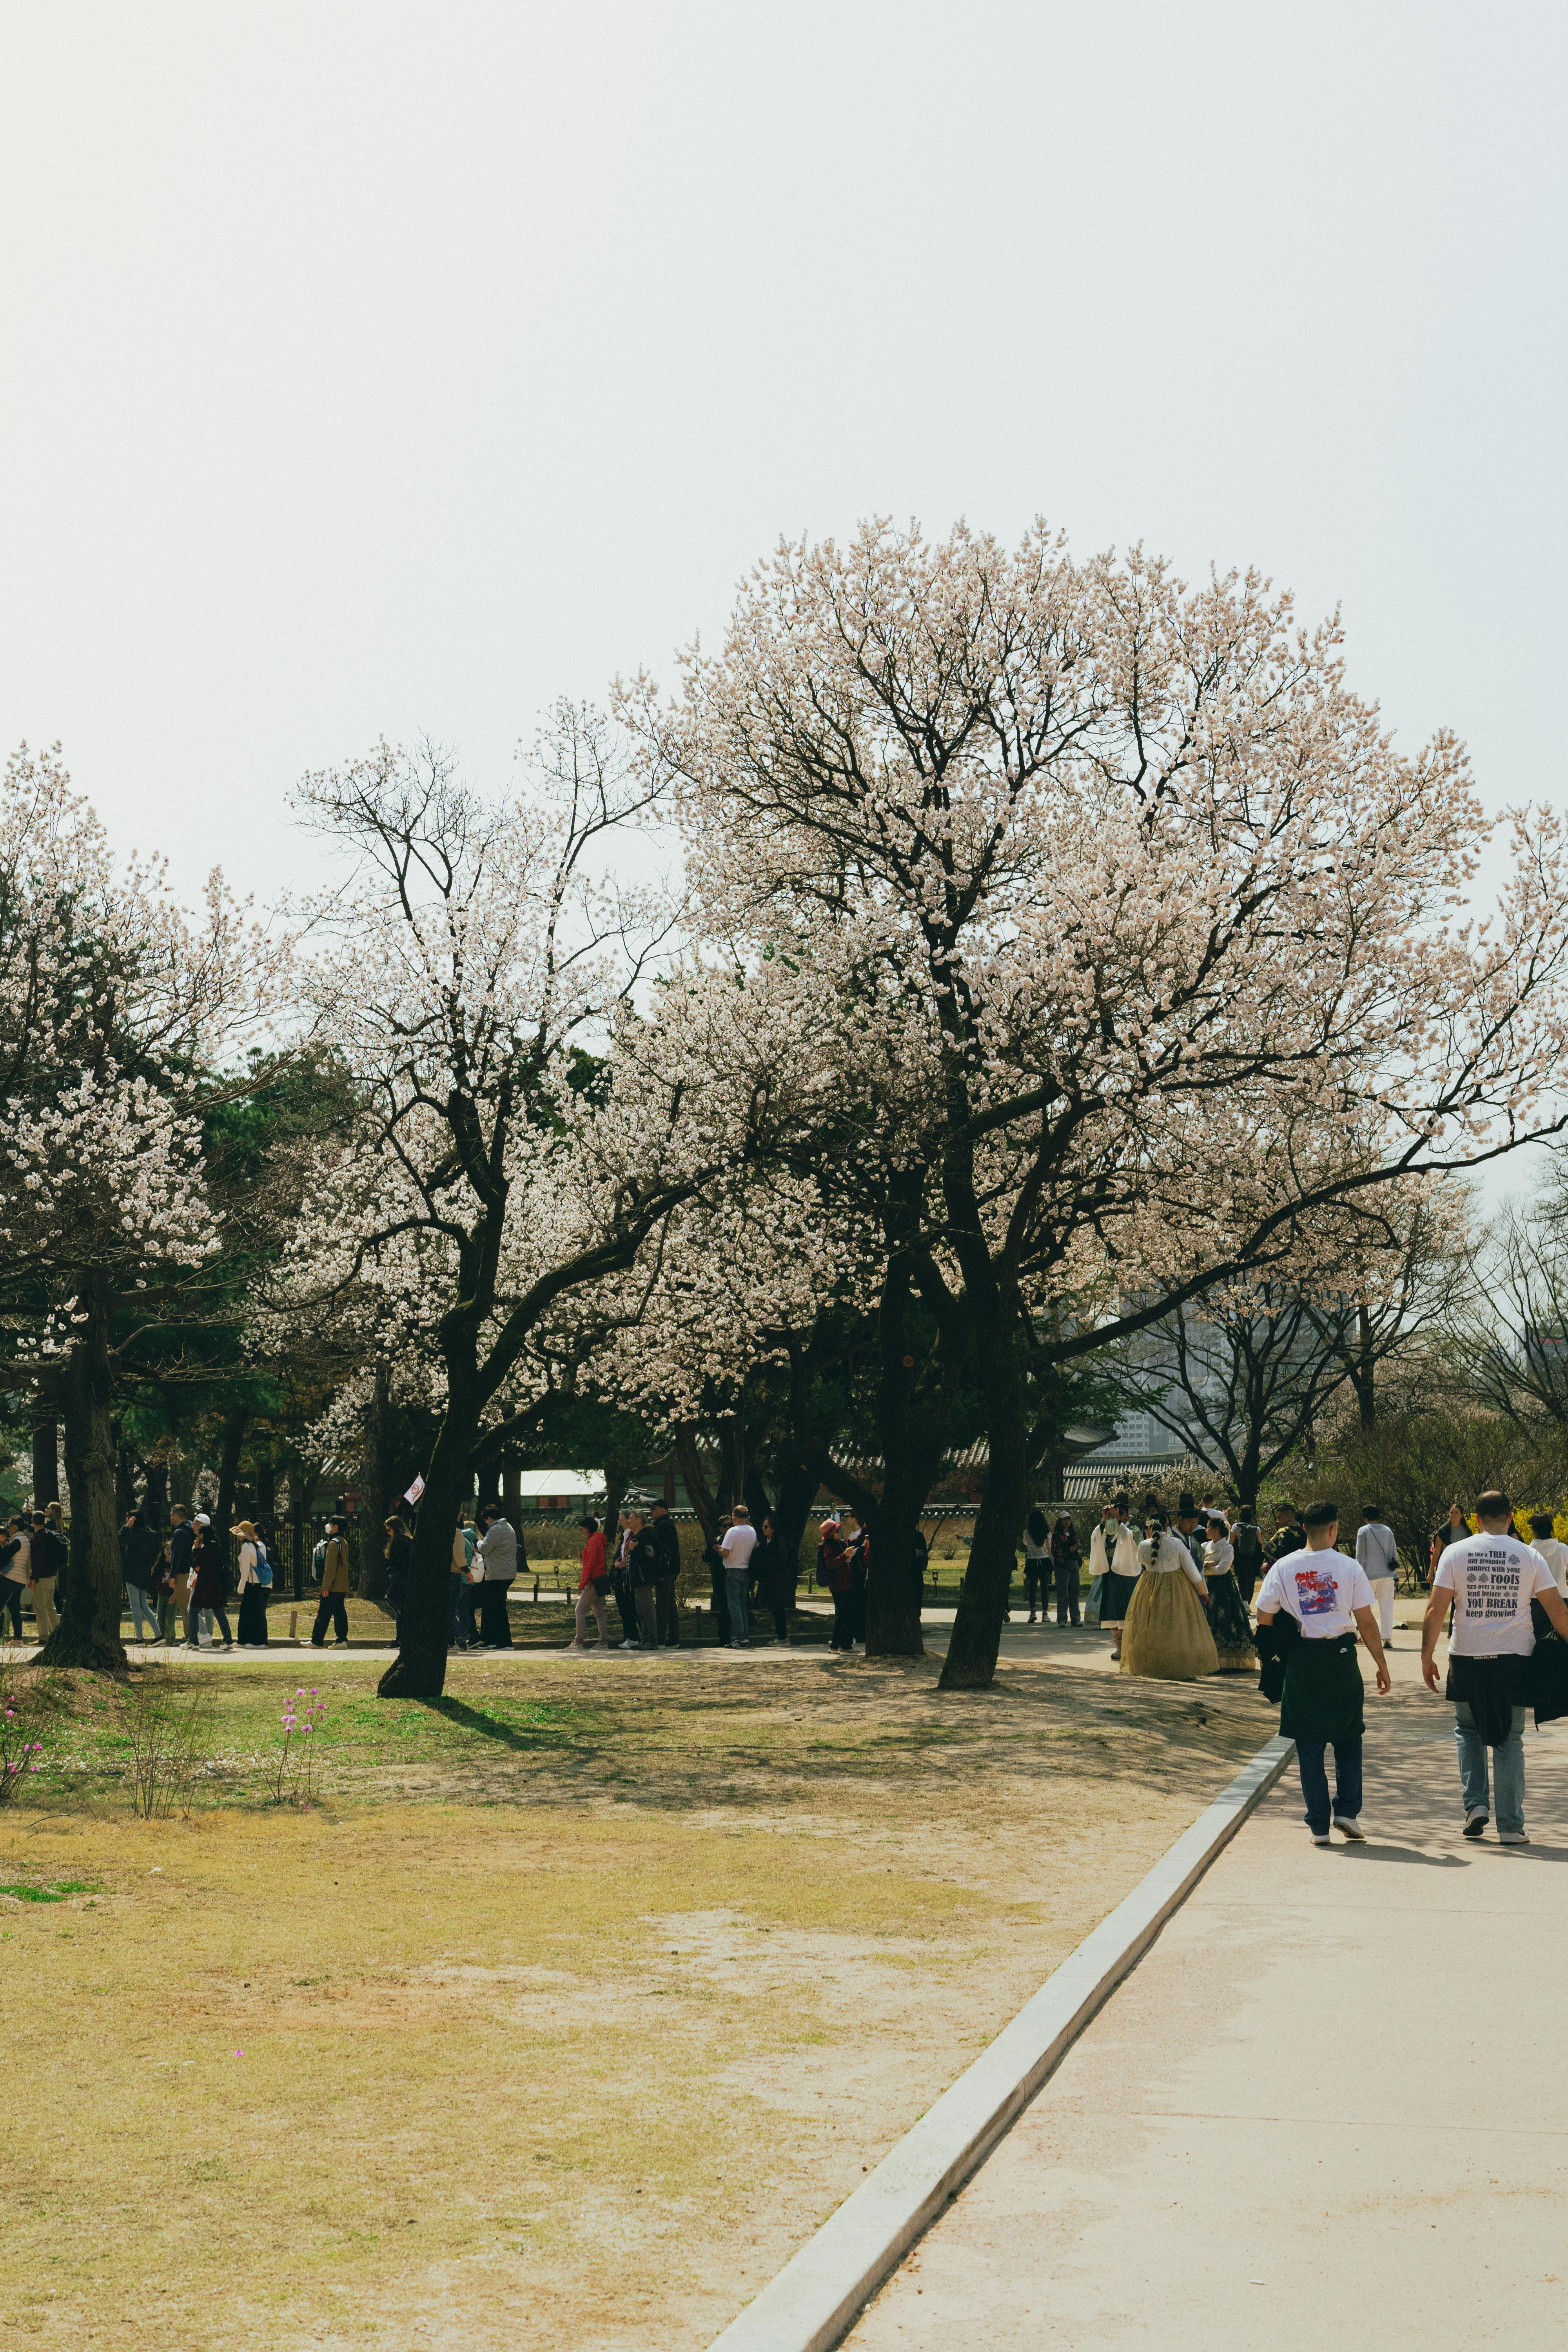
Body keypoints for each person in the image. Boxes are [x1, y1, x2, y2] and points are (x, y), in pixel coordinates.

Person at [1422, 1488, 1568, 1844]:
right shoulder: (1528, 1555)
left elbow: (1437, 1608)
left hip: (1467, 1654)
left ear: (1475, 1520)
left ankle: (1475, 1807)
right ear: (1511, 1517)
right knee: (1510, 1740)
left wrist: (1426, 1656)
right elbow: (1557, 1610)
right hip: (1514, 1658)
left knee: (1467, 1731)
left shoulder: (1456, 1552)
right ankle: (1511, 1826)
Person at [1257, 1500, 1390, 1845]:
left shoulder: (1283, 1568)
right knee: (1349, 1738)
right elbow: (1366, 1621)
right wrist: (1382, 1664)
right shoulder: (1349, 1568)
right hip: (1341, 1658)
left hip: (1302, 1661)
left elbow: (1264, 1617)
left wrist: (1278, 1649)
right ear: (1334, 1529)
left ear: (1303, 1528)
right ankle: (1347, 1811)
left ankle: (1318, 1825)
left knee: (1309, 1744)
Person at [1120, 1508, 1218, 1681]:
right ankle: (1177, 1664)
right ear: (1167, 1526)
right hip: (1176, 1588)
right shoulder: (1177, 1544)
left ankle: (1151, 1663)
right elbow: (1192, 1571)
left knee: (1150, 1624)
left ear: (1150, 1528)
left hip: (1149, 1586)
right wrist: (1203, 1593)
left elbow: (1142, 1562)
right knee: (1177, 1626)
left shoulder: (1144, 1545)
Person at [1202, 1512, 1256, 1670]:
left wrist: (1209, 1567)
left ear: (1217, 1529)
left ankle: (1227, 1661)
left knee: (1226, 1619)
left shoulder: (1227, 1548)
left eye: (1208, 1528)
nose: (1206, 1531)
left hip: (1223, 1589)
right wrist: (1209, 1566)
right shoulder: (1205, 1546)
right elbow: (1199, 1565)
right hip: (1206, 1588)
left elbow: (1223, 1569)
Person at [1089, 1497, 1140, 1661]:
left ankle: (1129, 1646)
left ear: (1127, 1515)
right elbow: (1096, 1540)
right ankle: (1119, 1646)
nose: (1117, 1515)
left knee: (1127, 1610)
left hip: (1128, 1575)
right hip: (1111, 1574)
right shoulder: (1106, 1529)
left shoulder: (1133, 1530)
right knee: (1112, 1611)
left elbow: (1136, 1544)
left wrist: (1119, 1523)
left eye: (1121, 1512)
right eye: (1113, 1511)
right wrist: (1104, 1520)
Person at [1354, 1504, 1399, 1648]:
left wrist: (1357, 1574)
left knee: (1365, 1608)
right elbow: (1394, 1554)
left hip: (1368, 1575)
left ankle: (1363, 1635)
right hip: (1387, 1574)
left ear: (1365, 1517)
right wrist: (1395, 1574)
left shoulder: (1364, 1531)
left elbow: (1360, 1556)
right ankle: (1387, 1639)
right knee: (1387, 1608)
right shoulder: (1388, 1531)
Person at [565, 1515, 611, 1653]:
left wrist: (583, 1583)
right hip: (601, 1579)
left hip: (593, 1581)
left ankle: (579, 1641)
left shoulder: (592, 1542)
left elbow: (590, 1565)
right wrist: (583, 1558)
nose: (582, 1532)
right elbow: (595, 1561)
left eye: (583, 1529)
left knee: (579, 1611)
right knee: (599, 1613)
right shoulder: (599, 1540)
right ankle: (603, 1641)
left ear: (588, 1529)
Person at [475, 1501, 517, 1648]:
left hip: (498, 1574)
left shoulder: (495, 1530)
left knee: (496, 1608)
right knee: (490, 1605)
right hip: (506, 1572)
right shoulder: (508, 1527)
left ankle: (503, 1642)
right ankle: (490, 1639)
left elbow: (485, 1549)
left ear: (489, 1518)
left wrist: (478, 1542)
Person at [120, 1507, 163, 1644]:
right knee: (144, 1605)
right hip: (145, 1572)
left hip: (132, 1572)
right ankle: (158, 1635)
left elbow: (121, 1537)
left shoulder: (135, 1534)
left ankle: (139, 1638)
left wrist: (127, 1526)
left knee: (136, 1606)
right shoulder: (152, 1534)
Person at [189, 1515, 232, 1649]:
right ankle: (228, 1640)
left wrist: (195, 1550)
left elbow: (195, 1564)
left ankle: (194, 1641)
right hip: (218, 1585)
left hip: (205, 1585)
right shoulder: (218, 1546)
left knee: (193, 1610)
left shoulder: (206, 1549)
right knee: (219, 1612)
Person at [754, 1511, 795, 1645]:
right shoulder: (766, 1542)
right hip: (771, 1581)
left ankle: (783, 1637)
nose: (763, 1529)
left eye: (766, 1527)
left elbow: (782, 1559)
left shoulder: (779, 1541)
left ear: (773, 1529)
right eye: (763, 1527)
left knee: (779, 1608)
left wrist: (768, 1562)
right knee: (775, 1608)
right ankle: (781, 1636)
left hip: (779, 1580)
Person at [720, 1504, 757, 1650]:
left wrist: (719, 1551)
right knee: (742, 1605)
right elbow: (755, 1548)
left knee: (734, 1606)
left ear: (734, 1516)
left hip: (733, 1570)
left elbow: (726, 1553)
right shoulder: (752, 1531)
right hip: (746, 1570)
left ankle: (741, 1638)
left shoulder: (732, 1532)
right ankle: (745, 1636)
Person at [312, 1516, 352, 1648]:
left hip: (333, 1586)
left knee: (324, 1612)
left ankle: (317, 1641)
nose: (328, 1526)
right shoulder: (343, 1542)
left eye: (330, 1524)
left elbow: (330, 1567)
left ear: (336, 1527)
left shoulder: (334, 1544)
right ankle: (342, 1640)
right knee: (340, 1612)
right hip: (342, 1585)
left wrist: (326, 1587)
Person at [817, 1518, 855, 1652]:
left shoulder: (840, 1543)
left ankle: (835, 1645)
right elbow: (831, 1564)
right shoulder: (828, 1547)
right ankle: (845, 1646)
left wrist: (864, 1532)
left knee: (842, 1616)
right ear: (831, 1534)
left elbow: (855, 1542)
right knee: (845, 1616)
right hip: (838, 1585)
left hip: (845, 1584)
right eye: (837, 1531)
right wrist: (844, 1556)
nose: (840, 1533)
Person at [624, 1511, 661, 1650]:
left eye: (631, 1519)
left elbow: (650, 1555)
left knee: (648, 1610)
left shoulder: (645, 1536)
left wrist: (636, 1549)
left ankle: (653, 1640)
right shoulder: (636, 1536)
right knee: (641, 1611)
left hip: (644, 1579)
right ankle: (645, 1639)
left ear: (639, 1520)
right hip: (636, 1580)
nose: (628, 1521)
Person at [649, 1499, 682, 1646]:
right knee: (669, 1604)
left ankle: (660, 1639)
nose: (652, 1512)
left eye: (654, 1509)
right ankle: (673, 1638)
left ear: (663, 1509)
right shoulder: (665, 1524)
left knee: (662, 1605)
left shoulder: (664, 1525)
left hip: (665, 1570)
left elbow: (661, 1550)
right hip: (670, 1569)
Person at [27, 1510, 64, 1643]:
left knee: (40, 1608)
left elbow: (37, 1560)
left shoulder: (38, 1538)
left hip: (41, 1577)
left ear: (33, 1522)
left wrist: (32, 1577)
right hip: (52, 1575)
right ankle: (55, 1635)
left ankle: (43, 1637)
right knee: (50, 1605)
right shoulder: (50, 1534)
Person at [234, 1519, 270, 1646]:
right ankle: (245, 1641)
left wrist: (240, 1588)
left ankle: (257, 1642)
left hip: (252, 1584)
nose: (238, 1535)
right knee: (249, 1613)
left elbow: (245, 1571)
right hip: (256, 1584)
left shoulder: (246, 1546)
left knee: (250, 1614)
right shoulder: (254, 1545)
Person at [160, 1504, 192, 1646]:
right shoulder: (191, 1529)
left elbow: (177, 1556)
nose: (170, 1517)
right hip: (190, 1572)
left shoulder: (179, 1533)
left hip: (182, 1574)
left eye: (171, 1514)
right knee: (189, 1607)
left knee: (186, 1608)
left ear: (176, 1515)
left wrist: (172, 1575)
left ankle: (191, 1638)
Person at [609, 1510, 641, 1648]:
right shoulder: (625, 1536)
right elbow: (620, 1554)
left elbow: (628, 1557)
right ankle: (628, 1636)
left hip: (627, 1577)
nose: (621, 1524)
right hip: (620, 1575)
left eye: (623, 1521)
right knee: (624, 1609)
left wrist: (620, 1564)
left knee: (630, 1609)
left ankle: (634, 1637)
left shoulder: (634, 1536)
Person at [448, 1513, 477, 1651]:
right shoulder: (471, 1541)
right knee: (463, 1609)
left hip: (457, 1575)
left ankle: (460, 1633)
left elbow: (459, 1556)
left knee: (451, 1610)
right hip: (464, 1577)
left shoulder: (458, 1535)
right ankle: (464, 1636)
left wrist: (466, 1571)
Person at [384, 1513, 414, 1641]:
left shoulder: (399, 1542)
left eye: (389, 1530)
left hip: (400, 1578)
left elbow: (403, 1563)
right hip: (404, 1578)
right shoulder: (408, 1540)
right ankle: (401, 1638)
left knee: (399, 1608)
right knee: (402, 1610)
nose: (388, 1533)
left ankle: (400, 1639)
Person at [1049, 1511, 1082, 1627]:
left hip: (1074, 1564)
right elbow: (1054, 1552)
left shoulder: (1073, 1534)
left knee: (1075, 1592)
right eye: (1064, 1519)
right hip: (1062, 1567)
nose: (1067, 1521)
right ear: (1060, 1521)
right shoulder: (1057, 1536)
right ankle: (1062, 1619)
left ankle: (1076, 1618)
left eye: (1068, 1519)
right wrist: (1069, 1550)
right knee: (1063, 1594)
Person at [0, 1518, 30, 1640]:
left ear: (15, 1527)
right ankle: (18, 1638)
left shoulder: (17, 1541)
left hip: (10, 1578)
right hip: (20, 1580)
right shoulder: (25, 1540)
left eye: (10, 1526)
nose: (8, 1529)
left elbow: (5, 1558)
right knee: (14, 1609)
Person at [1428, 1500, 1468, 1589]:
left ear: (1462, 1516)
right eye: (1452, 1513)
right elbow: (1437, 1551)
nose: (1453, 1515)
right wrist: (1431, 1572)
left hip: (1462, 1567)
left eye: (1457, 1513)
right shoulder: (1443, 1531)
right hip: (1447, 1567)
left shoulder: (1467, 1531)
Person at [1230, 1508, 1265, 1610]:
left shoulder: (1236, 1527)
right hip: (1253, 1559)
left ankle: (1245, 1603)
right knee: (1251, 1579)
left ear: (1240, 1514)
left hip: (1239, 1558)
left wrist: (1231, 1558)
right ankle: (1249, 1603)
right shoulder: (1257, 1528)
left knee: (1242, 1579)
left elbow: (1231, 1543)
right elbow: (1261, 1544)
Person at [1021, 1509, 1051, 1622]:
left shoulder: (1027, 1533)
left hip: (1032, 1561)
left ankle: (1033, 1612)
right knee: (1045, 1589)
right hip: (1044, 1561)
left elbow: (1025, 1543)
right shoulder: (1047, 1534)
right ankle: (1045, 1614)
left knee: (1032, 1589)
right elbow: (1049, 1549)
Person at [1528, 1512, 1568, 1595]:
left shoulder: (1528, 1551)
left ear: (1534, 1531)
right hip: (1562, 1596)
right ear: (1551, 1529)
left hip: (1536, 1598)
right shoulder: (1564, 1549)